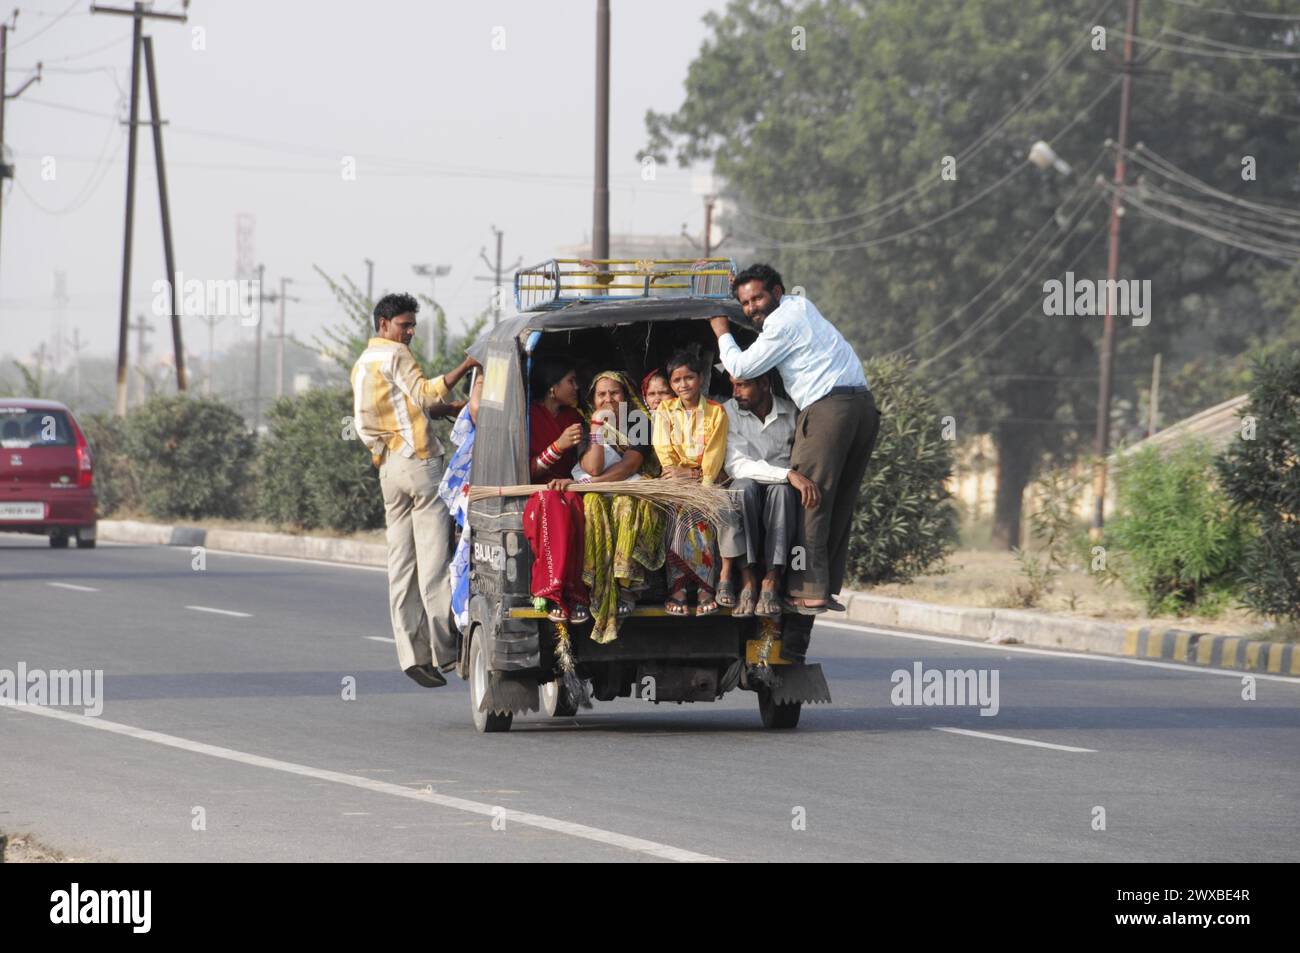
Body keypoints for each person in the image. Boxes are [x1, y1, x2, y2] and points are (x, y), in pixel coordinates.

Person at [709, 264, 880, 618]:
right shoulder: (802, 307)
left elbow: (739, 368)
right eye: (745, 302)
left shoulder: (781, 323)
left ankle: (807, 591)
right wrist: (734, 291)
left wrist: (722, 329)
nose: (752, 307)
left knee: (809, 495)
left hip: (828, 410)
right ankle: (826, 586)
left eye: (758, 297)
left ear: (777, 291)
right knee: (838, 499)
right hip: (862, 406)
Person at [351, 292, 479, 688]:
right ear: (384, 325)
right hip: (421, 465)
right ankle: (444, 649)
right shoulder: (396, 355)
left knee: (400, 566)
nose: (409, 333)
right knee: (434, 560)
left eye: (411, 326)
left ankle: (411, 654)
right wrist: (467, 366)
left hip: (388, 468)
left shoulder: (362, 364)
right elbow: (425, 394)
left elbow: (411, 408)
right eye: (404, 325)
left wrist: (452, 408)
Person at [549, 370, 665, 643]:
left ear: (625, 396)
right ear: (593, 398)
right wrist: (597, 430)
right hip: (598, 486)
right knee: (590, 505)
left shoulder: (638, 422)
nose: (608, 399)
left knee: (626, 504)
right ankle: (595, 586)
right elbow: (593, 465)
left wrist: (594, 483)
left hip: (629, 485)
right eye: (601, 394)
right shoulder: (587, 424)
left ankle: (626, 586)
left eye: (614, 393)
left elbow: (630, 466)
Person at [722, 371, 813, 618]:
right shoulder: (728, 411)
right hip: (749, 485)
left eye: (742, 386)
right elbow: (736, 464)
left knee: (782, 494)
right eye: (733, 386)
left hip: (780, 490)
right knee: (742, 488)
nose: (735, 393)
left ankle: (772, 580)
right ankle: (748, 578)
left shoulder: (790, 413)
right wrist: (786, 475)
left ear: (764, 384)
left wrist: (788, 477)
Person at [652, 350, 730, 616]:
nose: (683, 385)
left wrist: (700, 480)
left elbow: (714, 453)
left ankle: (706, 586)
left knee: (701, 513)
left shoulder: (716, 412)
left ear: (700, 379)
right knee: (675, 510)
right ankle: (679, 587)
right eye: (677, 380)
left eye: (689, 378)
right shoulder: (665, 410)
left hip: (706, 480)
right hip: (674, 481)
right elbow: (664, 449)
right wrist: (676, 474)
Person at [529, 360, 584, 483]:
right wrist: (557, 447)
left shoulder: (574, 417)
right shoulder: (528, 418)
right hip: (537, 491)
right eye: (571, 381)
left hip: (570, 486)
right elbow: (526, 473)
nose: (576, 387)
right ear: (552, 386)